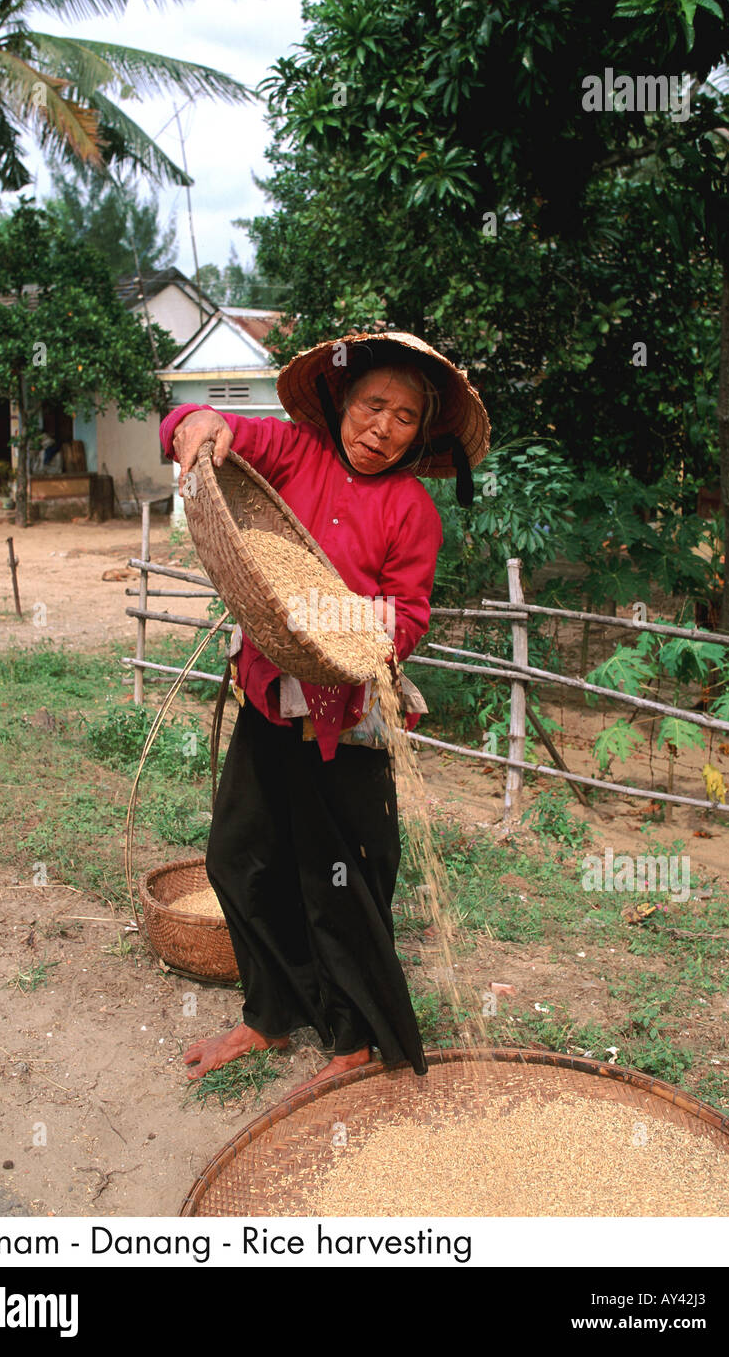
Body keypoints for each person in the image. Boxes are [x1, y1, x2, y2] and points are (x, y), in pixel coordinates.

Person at [158, 331, 490, 1092]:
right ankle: (271, 1012)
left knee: (339, 881)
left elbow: (405, 616)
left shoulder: (411, 510)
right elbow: (211, 426)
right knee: (238, 859)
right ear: (343, 399)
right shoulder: (295, 454)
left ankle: (353, 1042)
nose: (381, 428)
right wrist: (194, 427)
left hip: (353, 723)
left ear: (423, 432)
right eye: (372, 405)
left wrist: (350, 643)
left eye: (405, 417)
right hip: (272, 703)